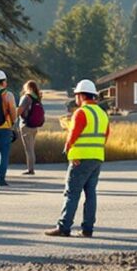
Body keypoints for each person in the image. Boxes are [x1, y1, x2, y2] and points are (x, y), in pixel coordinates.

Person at [45, 79, 109, 237]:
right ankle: (88, 229)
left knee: (72, 193)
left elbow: (72, 136)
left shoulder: (81, 112)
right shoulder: (102, 114)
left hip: (80, 158)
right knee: (91, 193)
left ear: (81, 96)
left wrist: (70, 154)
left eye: (77, 96)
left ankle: (64, 227)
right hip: (97, 157)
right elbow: (106, 135)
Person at [16, 79, 45, 176]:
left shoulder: (26, 98)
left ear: (28, 88)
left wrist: (12, 119)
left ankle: (30, 169)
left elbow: (20, 110)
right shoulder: (36, 98)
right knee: (31, 147)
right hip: (34, 126)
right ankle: (31, 168)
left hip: (26, 125)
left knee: (28, 149)